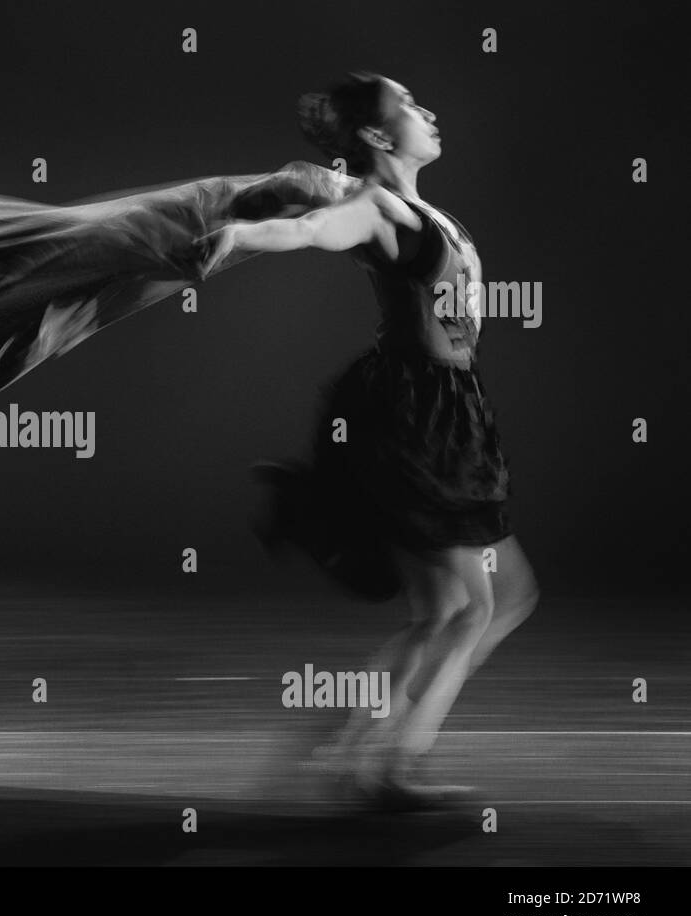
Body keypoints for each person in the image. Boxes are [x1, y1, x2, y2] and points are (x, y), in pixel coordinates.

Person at [202, 72, 539, 809]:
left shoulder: (428, 212)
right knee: (470, 608)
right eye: (414, 106)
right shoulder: (377, 206)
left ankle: (359, 750)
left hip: (451, 410)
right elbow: (315, 229)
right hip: (409, 414)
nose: (431, 110)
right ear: (382, 138)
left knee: (488, 600)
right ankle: (382, 762)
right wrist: (238, 235)